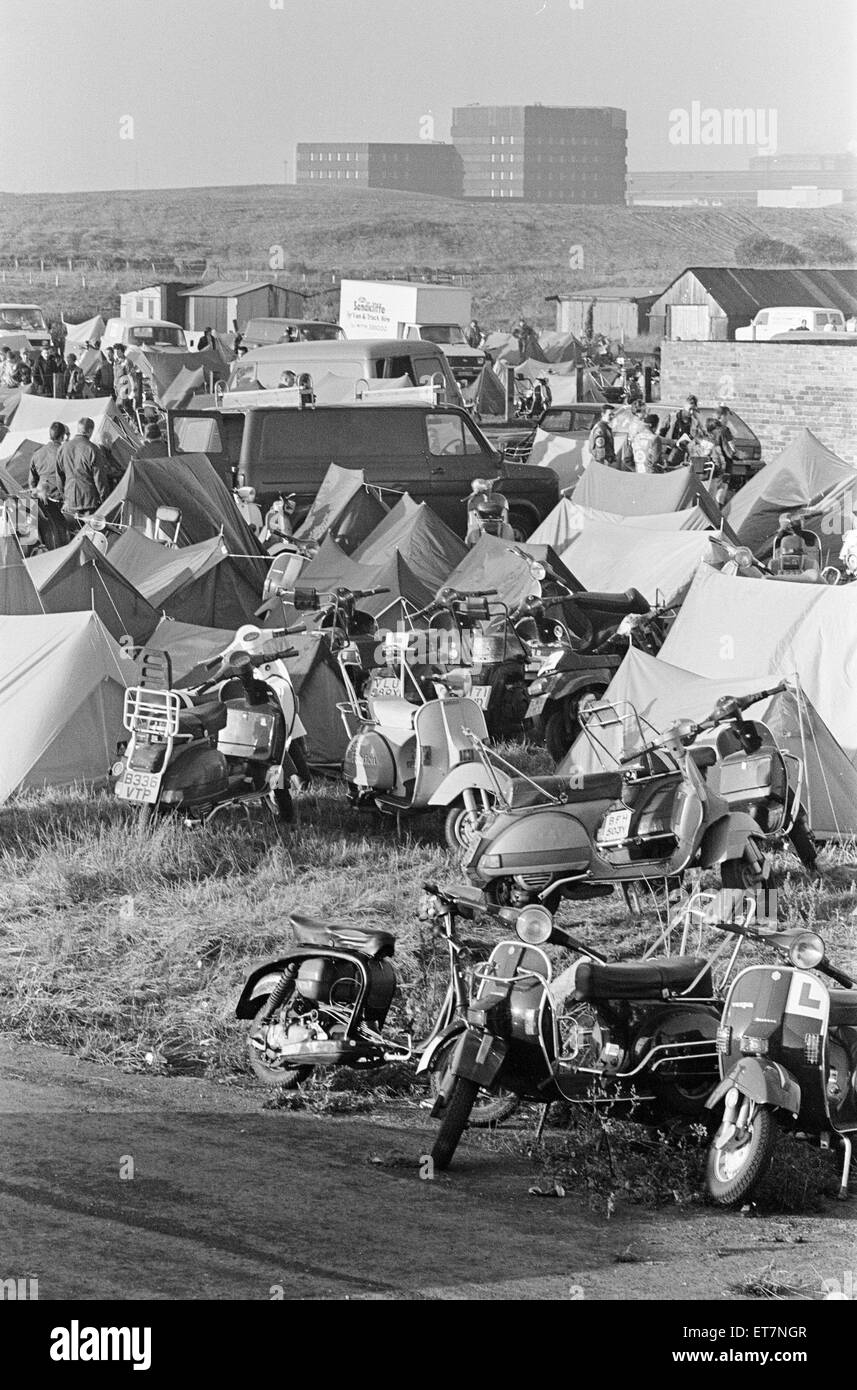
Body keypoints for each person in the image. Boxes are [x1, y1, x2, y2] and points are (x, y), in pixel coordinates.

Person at [56, 418, 113, 519]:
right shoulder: (93, 449)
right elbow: (100, 479)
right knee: (91, 533)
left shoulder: (62, 448)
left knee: (74, 533)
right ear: (90, 431)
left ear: (78, 429)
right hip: (89, 502)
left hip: (70, 501)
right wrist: (106, 501)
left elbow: (59, 477)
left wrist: (65, 497)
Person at [28, 421, 66, 501]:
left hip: (42, 499)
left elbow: (32, 482)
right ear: (63, 436)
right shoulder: (65, 454)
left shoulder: (37, 454)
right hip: (60, 499)